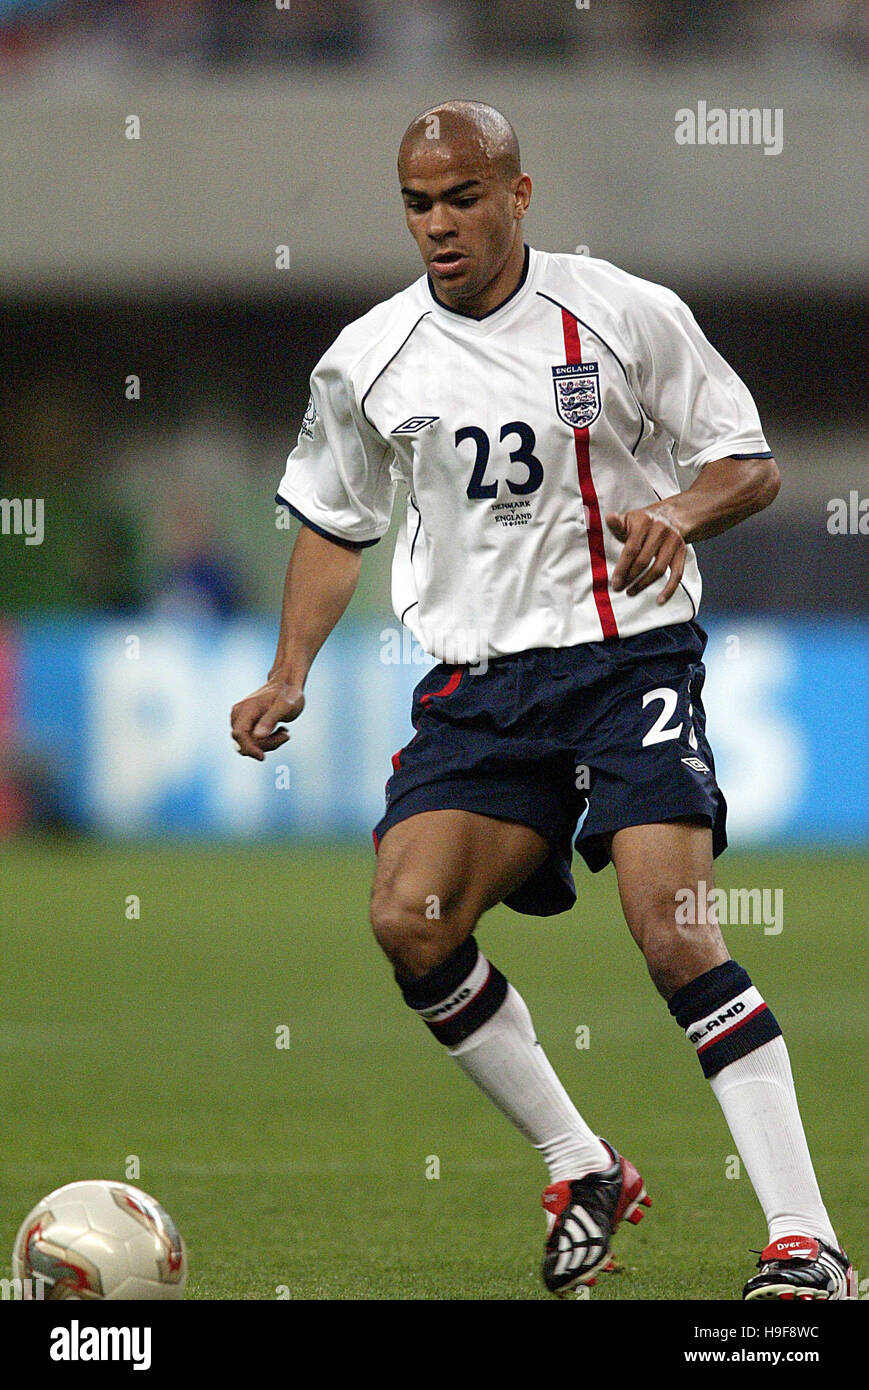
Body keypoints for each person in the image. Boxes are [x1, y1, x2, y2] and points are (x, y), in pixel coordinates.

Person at [231, 101, 852, 1300]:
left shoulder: (621, 312)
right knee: (410, 920)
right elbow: (331, 521)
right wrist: (288, 671)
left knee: (671, 927)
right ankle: (582, 1162)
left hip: (627, 664)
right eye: (418, 204)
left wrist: (674, 512)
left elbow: (747, 460)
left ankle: (804, 1242)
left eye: (463, 197)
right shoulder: (367, 357)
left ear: (518, 196)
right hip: (478, 689)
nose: (439, 224)